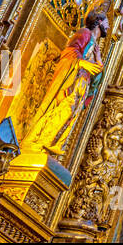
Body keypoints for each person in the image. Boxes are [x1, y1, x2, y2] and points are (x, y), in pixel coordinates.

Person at [27, 10, 108, 155]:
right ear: (100, 22)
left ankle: (52, 143)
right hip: (72, 81)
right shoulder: (85, 33)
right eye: (107, 23)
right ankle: (40, 140)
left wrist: (98, 60)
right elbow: (70, 52)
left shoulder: (96, 47)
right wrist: (80, 63)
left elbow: (97, 74)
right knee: (63, 110)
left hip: (82, 85)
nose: (108, 27)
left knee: (70, 116)